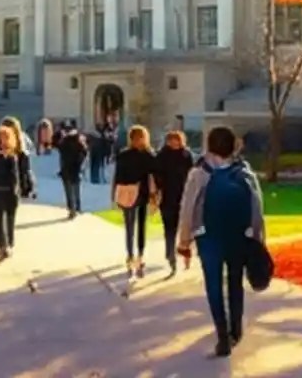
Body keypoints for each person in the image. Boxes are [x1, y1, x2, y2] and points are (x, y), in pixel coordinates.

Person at [176, 126, 266, 359]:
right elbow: (257, 209)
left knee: (213, 285)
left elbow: (187, 208)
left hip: (208, 237)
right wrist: (257, 239)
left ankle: (222, 335)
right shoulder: (244, 171)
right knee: (235, 282)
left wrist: (184, 241)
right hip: (237, 236)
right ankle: (236, 328)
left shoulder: (199, 173)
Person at [0, 123, 36, 261]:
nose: (2, 141)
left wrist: (17, 190)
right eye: (0, 138)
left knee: (8, 218)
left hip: (7, 192)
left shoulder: (10, 157)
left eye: (4, 137)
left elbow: (14, 177)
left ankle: (8, 243)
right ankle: (3, 246)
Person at [112, 125, 157, 278]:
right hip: (127, 193)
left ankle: (140, 255)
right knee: (129, 226)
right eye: (135, 138)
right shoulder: (124, 155)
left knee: (142, 227)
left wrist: (154, 194)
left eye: (141, 137)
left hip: (143, 194)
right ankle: (130, 255)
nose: (139, 141)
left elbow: (154, 176)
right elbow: (118, 176)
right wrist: (115, 193)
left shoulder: (149, 155)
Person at [154, 129, 197, 277]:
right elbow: (156, 175)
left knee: (186, 229)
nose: (174, 143)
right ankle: (170, 256)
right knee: (169, 229)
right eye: (171, 140)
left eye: (176, 140)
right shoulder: (162, 156)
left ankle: (186, 255)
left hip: (184, 197)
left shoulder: (186, 155)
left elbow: (193, 174)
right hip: (167, 197)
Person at [55, 119, 88, 219]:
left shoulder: (64, 141)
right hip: (75, 168)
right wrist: (81, 162)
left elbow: (58, 147)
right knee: (75, 189)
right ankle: (77, 207)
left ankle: (72, 209)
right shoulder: (79, 140)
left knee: (69, 191)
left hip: (66, 168)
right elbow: (85, 152)